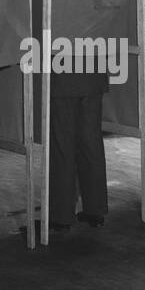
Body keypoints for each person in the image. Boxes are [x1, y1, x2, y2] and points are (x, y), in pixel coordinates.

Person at [47, 71, 109, 231]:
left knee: (62, 146)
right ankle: (95, 211)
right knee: (91, 143)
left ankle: (61, 216)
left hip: (62, 75)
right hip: (93, 75)